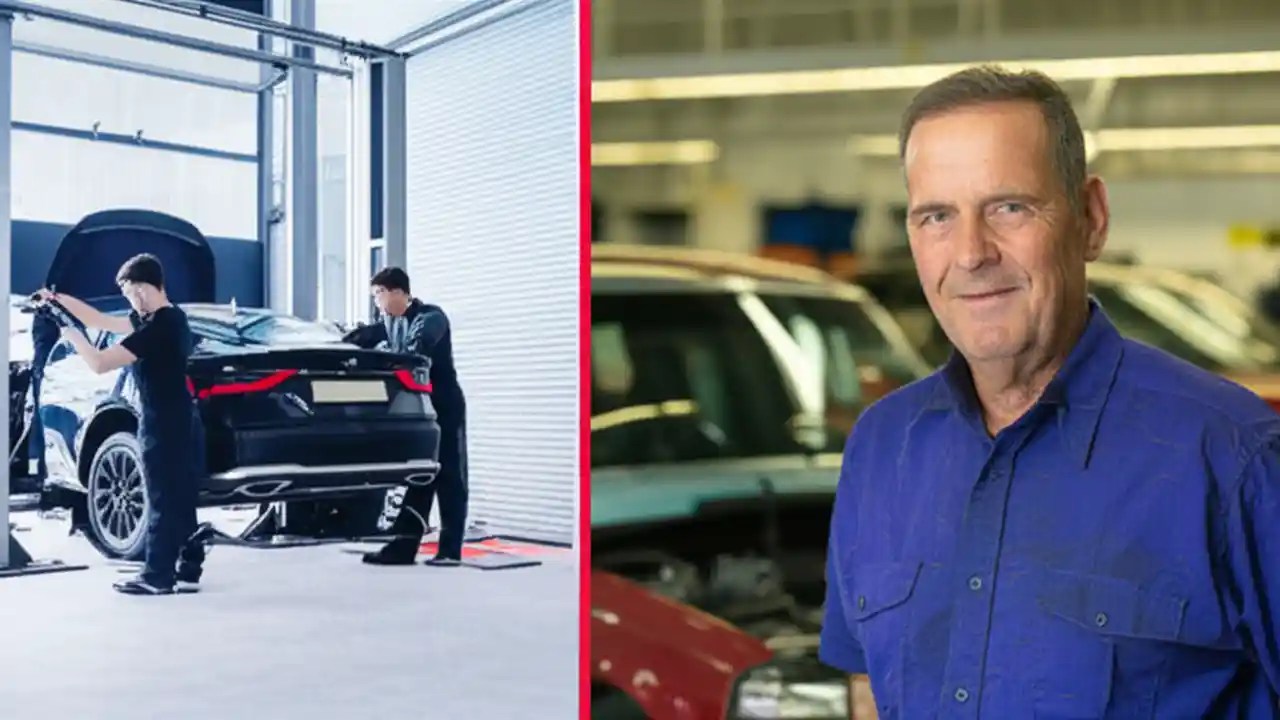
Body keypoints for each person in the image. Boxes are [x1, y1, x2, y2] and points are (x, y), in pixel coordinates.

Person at [818, 65, 1280, 718]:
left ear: (1090, 219)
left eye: (1009, 207)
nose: (971, 252)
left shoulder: (1232, 456)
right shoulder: (881, 445)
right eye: (936, 216)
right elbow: (867, 687)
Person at [35, 253, 205, 595]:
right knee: (179, 495)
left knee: (160, 496)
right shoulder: (168, 319)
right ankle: (189, 565)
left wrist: (70, 334)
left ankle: (157, 576)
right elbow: (101, 320)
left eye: (128, 293)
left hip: (162, 422)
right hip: (179, 418)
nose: (129, 301)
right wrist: (57, 302)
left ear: (141, 289)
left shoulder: (159, 328)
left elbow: (99, 363)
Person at [343, 267, 469, 567]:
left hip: (444, 406)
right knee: (418, 475)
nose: (377, 303)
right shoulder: (388, 324)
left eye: (378, 295)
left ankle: (450, 550)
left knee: (450, 475)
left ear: (396, 292)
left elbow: (418, 347)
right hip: (415, 406)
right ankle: (403, 548)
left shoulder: (431, 317)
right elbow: (359, 339)